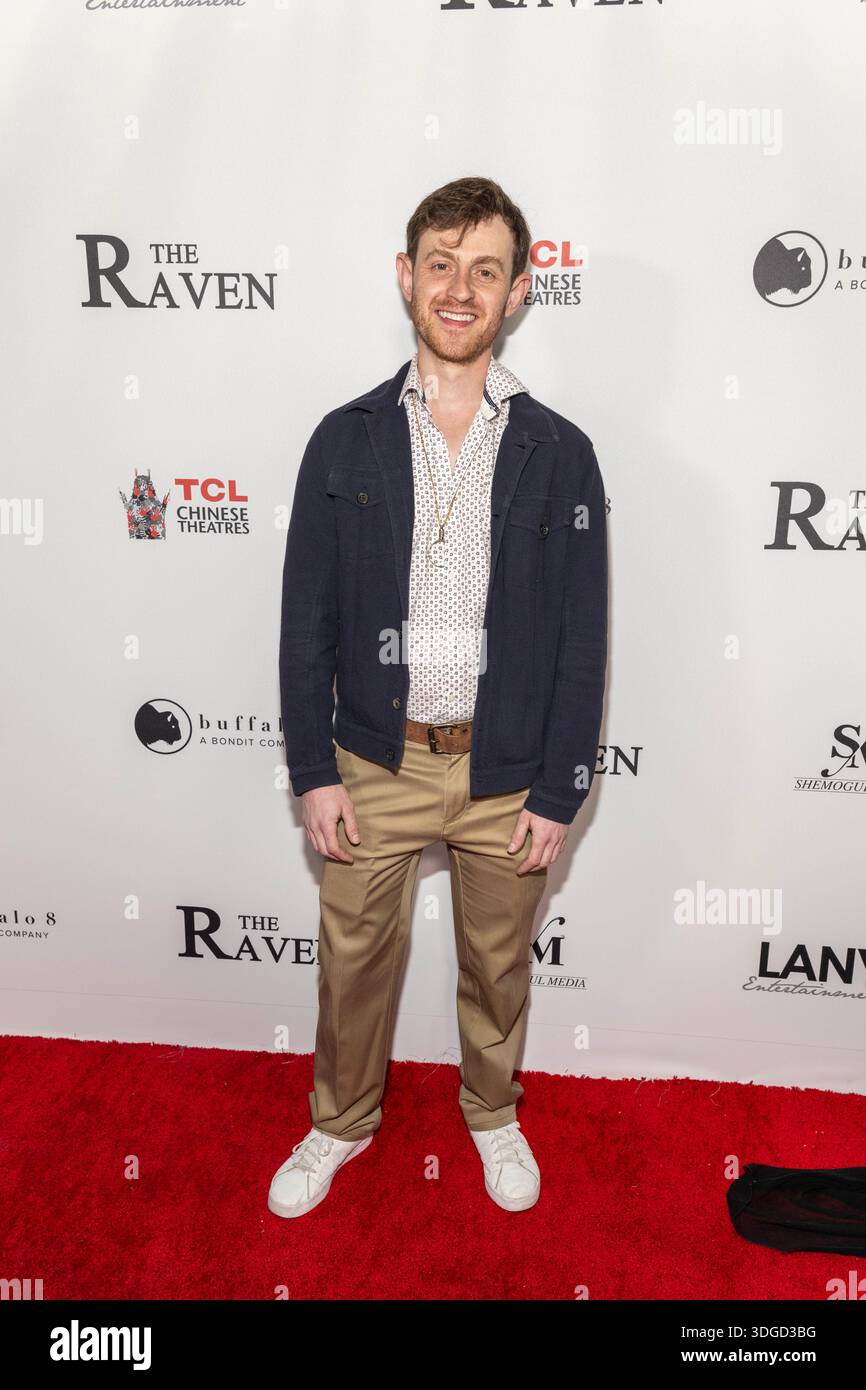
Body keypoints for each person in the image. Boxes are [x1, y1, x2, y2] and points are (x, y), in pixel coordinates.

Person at [270, 176, 608, 1219]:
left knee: (497, 964)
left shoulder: (561, 452)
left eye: (485, 269)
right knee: (352, 964)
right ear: (406, 277)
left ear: (515, 294)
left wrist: (558, 789)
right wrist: (313, 769)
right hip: (373, 759)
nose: (459, 289)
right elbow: (304, 619)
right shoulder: (343, 437)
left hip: (507, 768)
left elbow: (580, 637)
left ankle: (493, 1111)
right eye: (440, 264)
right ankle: (339, 1123)